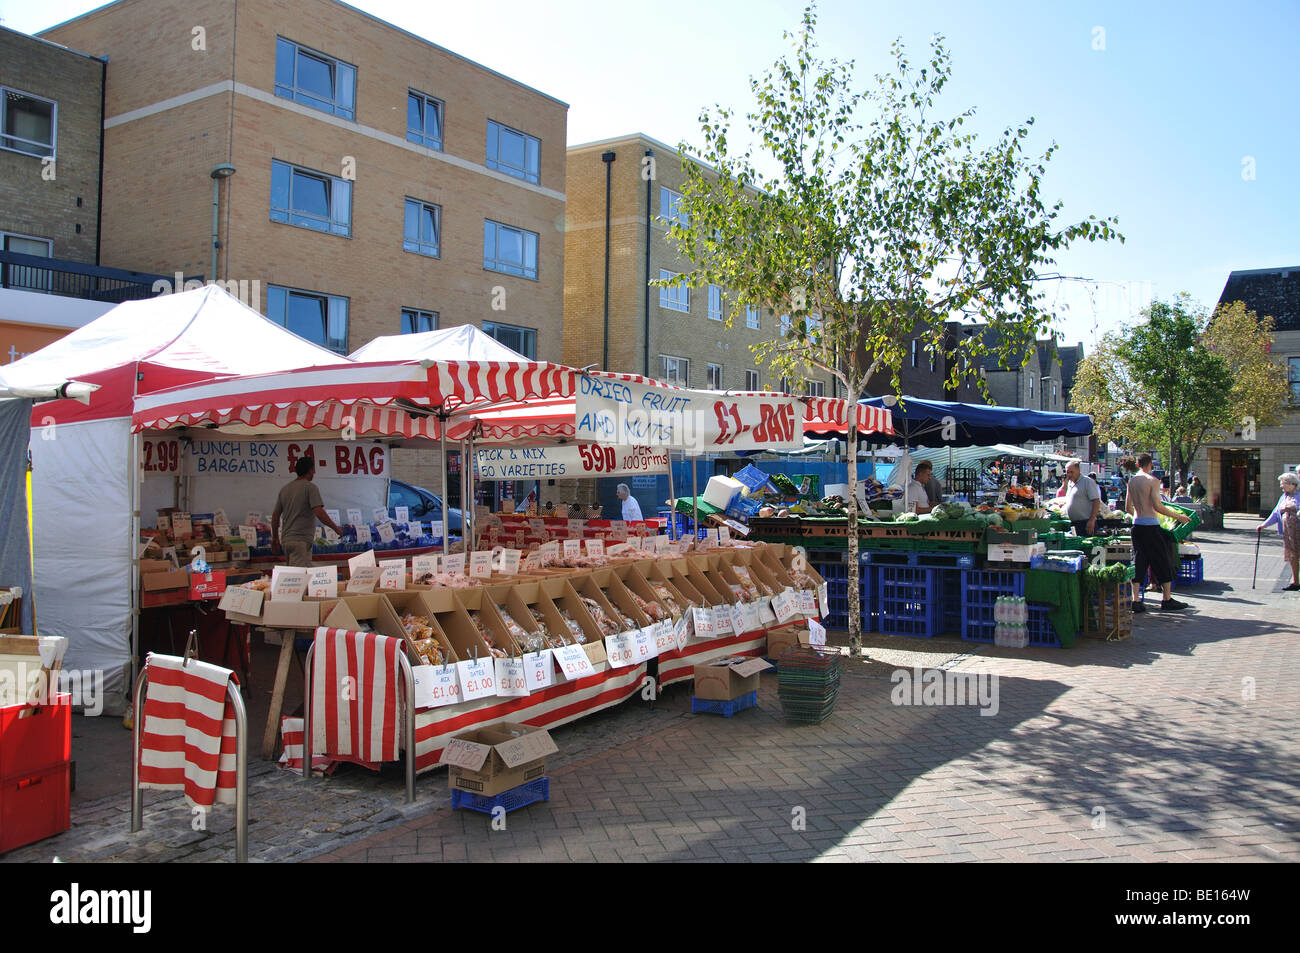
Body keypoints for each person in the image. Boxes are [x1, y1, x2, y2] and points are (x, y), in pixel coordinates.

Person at [1126, 452, 1192, 612]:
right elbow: (1157, 506)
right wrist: (1179, 516)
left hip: (1137, 525)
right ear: (1150, 465)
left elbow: (1128, 507)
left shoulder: (1132, 481)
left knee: (1139, 561)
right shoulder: (1153, 481)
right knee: (1162, 560)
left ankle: (1136, 600)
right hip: (1151, 525)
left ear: (1137, 464)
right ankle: (1166, 598)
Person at [272, 455, 343, 568]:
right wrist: (336, 528)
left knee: (292, 577)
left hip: (286, 541)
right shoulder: (310, 488)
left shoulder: (285, 489)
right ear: (310, 470)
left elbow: (275, 516)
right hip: (300, 541)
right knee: (299, 579)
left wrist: (275, 538)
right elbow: (319, 512)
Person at [1258, 472, 1300, 590]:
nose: (1281, 486)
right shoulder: (1283, 497)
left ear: (1292, 484)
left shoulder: (1299, 495)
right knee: (1292, 556)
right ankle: (1296, 582)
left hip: (1299, 530)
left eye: (1283, 483)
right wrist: (1264, 525)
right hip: (1288, 533)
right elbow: (1276, 514)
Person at [1061, 458, 1102, 537]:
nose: (1069, 474)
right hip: (1074, 523)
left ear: (1078, 470)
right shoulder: (1070, 483)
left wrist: (1092, 520)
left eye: (1072, 472)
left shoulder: (1087, 481)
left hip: (1086, 523)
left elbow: (1096, 501)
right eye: (1067, 472)